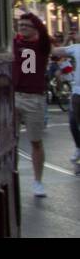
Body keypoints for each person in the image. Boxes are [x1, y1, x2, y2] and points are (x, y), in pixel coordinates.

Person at [14, 13, 52, 196]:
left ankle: (38, 181)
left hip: (34, 98)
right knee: (9, 141)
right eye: (20, 24)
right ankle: (12, 175)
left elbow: (43, 30)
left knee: (35, 141)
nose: (22, 27)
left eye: (26, 25)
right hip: (14, 96)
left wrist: (27, 8)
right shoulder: (15, 43)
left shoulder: (42, 46)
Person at [52, 38, 80, 172]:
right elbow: (56, 51)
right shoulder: (76, 48)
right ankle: (79, 149)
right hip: (78, 93)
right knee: (74, 122)